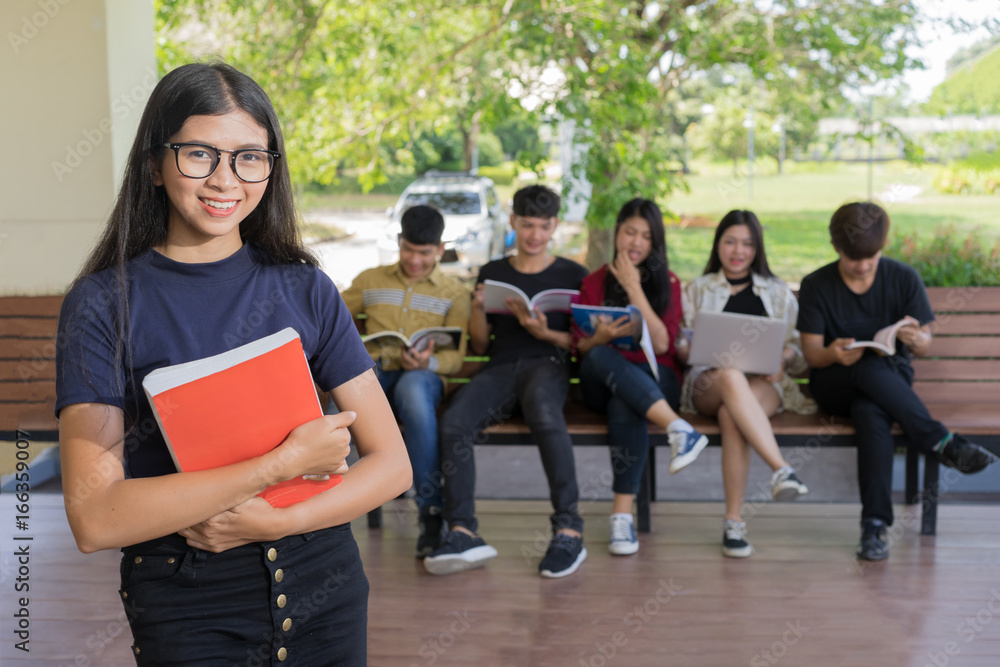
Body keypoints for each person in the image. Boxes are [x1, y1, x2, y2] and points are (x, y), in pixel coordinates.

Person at [54, 63, 411, 665]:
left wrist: (271, 526)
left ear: (271, 168)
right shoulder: (101, 304)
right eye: (200, 154)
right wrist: (280, 466)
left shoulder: (306, 290)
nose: (226, 179)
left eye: (250, 157)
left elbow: (392, 466)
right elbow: (95, 517)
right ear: (155, 164)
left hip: (324, 581)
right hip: (187, 597)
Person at [797, 202, 997, 562]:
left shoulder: (903, 277)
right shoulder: (817, 284)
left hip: (889, 385)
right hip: (834, 382)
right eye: (854, 257)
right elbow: (811, 353)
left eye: (871, 256)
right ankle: (939, 441)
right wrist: (832, 354)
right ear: (836, 248)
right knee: (866, 371)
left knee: (871, 410)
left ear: (883, 245)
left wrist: (919, 340)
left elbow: (924, 339)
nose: (863, 265)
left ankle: (874, 527)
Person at [424, 184, 589, 578]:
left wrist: (544, 331)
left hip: (547, 364)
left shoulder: (573, 274)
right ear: (513, 222)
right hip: (500, 368)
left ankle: (569, 528)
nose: (535, 235)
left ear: (555, 227)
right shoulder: (494, 271)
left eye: (544, 226)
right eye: (527, 224)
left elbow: (582, 343)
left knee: (546, 414)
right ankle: (463, 530)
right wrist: (479, 309)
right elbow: (480, 343)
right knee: (455, 422)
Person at [573, 198, 709, 556]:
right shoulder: (593, 282)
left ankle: (622, 518)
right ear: (617, 232)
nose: (635, 242)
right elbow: (582, 351)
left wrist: (634, 288)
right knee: (600, 354)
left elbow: (663, 343)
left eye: (645, 236)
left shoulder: (670, 282)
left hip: (654, 378)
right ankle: (679, 428)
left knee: (626, 401)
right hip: (599, 379)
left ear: (655, 243)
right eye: (629, 232)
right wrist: (599, 338)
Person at [679, 210, 812, 558]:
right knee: (730, 375)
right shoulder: (698, 289)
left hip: (762, 386)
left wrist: (782, 359)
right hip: (709, 382)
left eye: (748, 243)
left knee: (731, 415)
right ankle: (782, 469)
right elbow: (682, 344)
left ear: (758, 248)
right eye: (730, 241)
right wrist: (686, 348)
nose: (738, 251)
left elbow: (797, 349)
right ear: (718, 243)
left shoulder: (778, 292)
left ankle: (733, 523)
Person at [342, 204, 470, 557]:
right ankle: (335, 499)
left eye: (424, 253)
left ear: (440, 250)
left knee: (413, 391)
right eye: (408, 250)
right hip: (378, 370)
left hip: (423, 379)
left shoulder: (455, 293)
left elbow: (456, 358)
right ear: (399, 242)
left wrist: (429, 362)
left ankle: (429, 512)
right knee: (349, 394)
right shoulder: (371, 279)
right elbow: (332, 316)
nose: (414, 260)